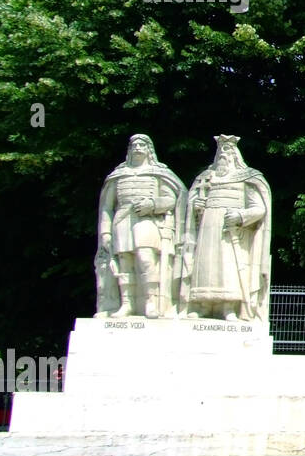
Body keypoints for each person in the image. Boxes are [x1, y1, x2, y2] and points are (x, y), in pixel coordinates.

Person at [96, 134, 187, 318]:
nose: (138, 147)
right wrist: (105, 232)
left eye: (142, 145)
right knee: (125, 262)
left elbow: (172, 199)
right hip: (122, 221)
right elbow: (106, 207)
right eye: (134, 145)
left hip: (147, 220)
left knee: (146, 259)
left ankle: (151, 302)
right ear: (129, 150)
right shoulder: (118, 176)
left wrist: (153, 205)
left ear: (148, 149)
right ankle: (127, 304)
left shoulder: (158, 173)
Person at [183, 135, 272, 321]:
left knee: (227, 266)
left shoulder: (247, 178)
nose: (224, 154)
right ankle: (203, 305)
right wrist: (197, 207)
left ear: (236, 155)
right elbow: (193, 204)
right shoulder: (206, 178)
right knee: (205, 264)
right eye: (221, 151)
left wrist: (241, 216)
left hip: (232, 230)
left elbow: (260, 208)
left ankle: (228, 307)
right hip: (208, 227)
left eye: (229, 151)